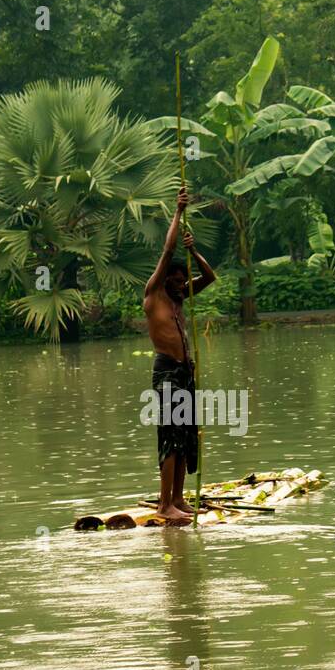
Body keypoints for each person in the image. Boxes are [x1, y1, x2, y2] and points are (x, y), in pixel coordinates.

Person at [144, 187, 216, 524]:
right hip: (167, 373)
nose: (178, 283)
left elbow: (211, 277)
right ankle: (163, 506)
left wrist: (195, 252)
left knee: (186, 432)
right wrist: (177, 211)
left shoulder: (178, 299)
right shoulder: (154, 293)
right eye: (174, 278)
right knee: (170, 434)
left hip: (185, 373)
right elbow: (168, 249)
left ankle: (177, 499)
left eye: (181, 279)